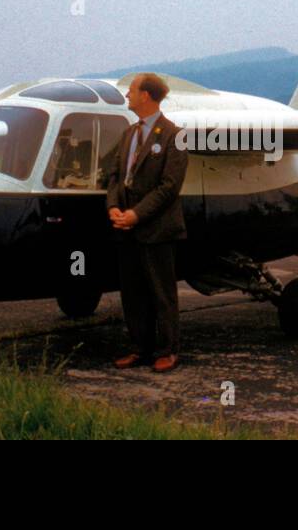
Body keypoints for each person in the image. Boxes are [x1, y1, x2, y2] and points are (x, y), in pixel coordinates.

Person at [104, 73, 189, 373]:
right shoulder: (129, 134)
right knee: (133, 293)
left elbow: (169, 187)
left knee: (161, 293)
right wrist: (114, 206)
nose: (127, 94)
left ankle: (168, 351)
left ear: (147, 96)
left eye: (132, 90)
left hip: (156, 229)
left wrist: (136, 214)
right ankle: (140, 348)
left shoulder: (174, 136)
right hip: (126, 229)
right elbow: (115, 175)